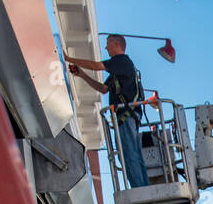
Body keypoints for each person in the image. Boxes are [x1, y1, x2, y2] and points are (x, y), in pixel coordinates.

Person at [65, 35, 152, 189]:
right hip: (127, 116)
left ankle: (140, 189)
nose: (106, 48)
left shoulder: (122, 61)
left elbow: (95, 66)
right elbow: (103, 89)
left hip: (126, 115)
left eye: (108, 44)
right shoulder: (118, 71)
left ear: (116, 44)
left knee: (130, 153)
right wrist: (81, 74)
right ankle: (141, 187)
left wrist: (68, 58)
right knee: (129, 153)